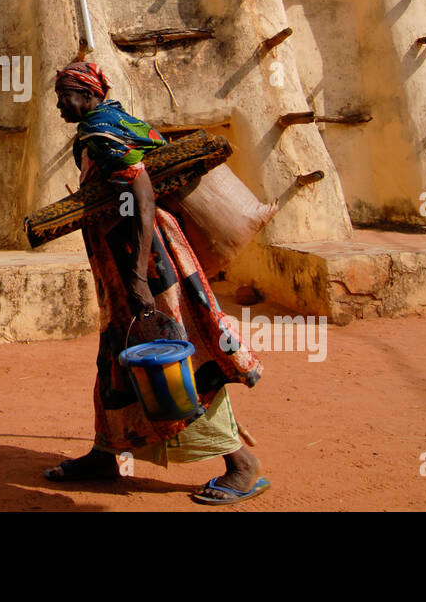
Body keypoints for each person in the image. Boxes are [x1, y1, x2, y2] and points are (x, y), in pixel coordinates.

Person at [43, 61, 270, 505]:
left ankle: (241, 463)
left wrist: (137, 276)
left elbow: (140, 194)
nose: (58, 104)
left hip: (146, 264)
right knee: (118, 356)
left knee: (175, 359)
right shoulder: (116, 122)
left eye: (65, 94)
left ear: (88, 94)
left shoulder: (100, 134)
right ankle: (106, 452)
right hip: (135, 261)